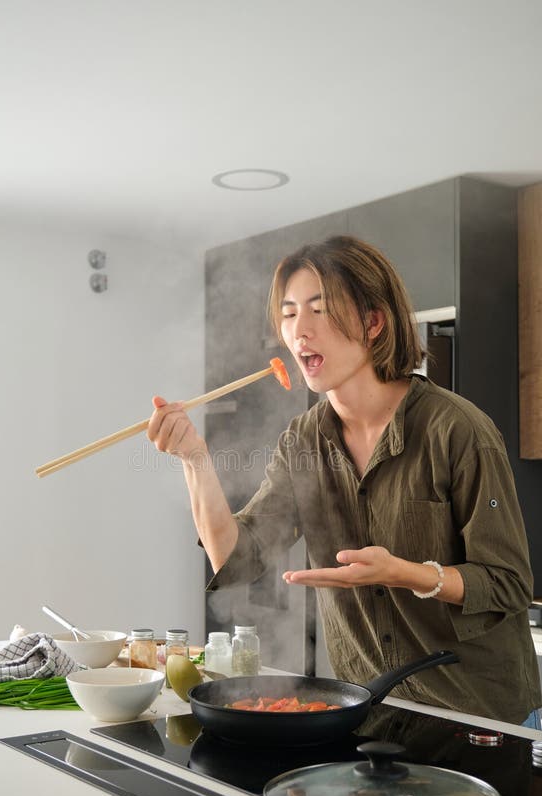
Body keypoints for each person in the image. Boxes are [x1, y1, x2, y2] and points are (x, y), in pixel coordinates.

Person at [148, 235, 541, 727]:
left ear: (373, 322)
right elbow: (237, 557)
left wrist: (403, 572)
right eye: (289, 313)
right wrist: (194, 458)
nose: (299, 331)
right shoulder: (303, 441)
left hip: (479, 717)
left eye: (319, 309)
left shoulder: (458, 430)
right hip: (373, 711)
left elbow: (508, 584)